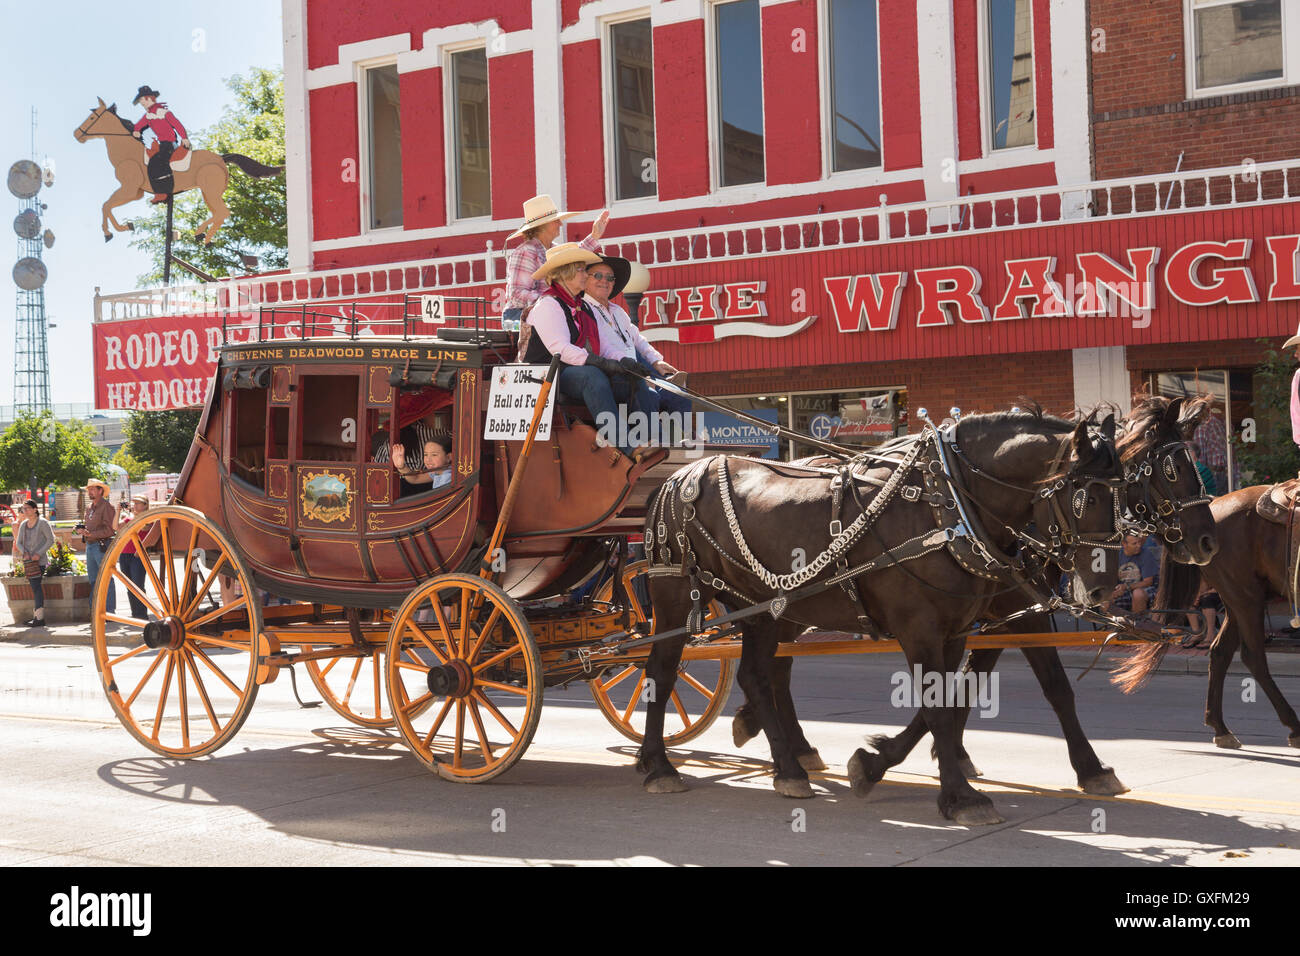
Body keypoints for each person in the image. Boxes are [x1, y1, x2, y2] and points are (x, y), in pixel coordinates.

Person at [522, 242, 651, 457]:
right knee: (592, 376)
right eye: (581, 270)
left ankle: (646, 440)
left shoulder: (580, 305)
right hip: (547, 377)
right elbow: (560, 349)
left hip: (572, 369)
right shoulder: (548, 305)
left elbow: (605, 345)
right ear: (565, 273)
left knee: (630, 379)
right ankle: (624, 445)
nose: (586, 274)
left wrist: (623, 362)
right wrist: (600, 362)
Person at [584, 253, 693, 441]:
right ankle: (658, 445)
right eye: (598, 276)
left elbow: (637, 338)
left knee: (678, 393)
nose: (605, 281)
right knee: (648, 394)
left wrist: (655, 360)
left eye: (610, 278)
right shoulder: (584, 309)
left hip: (636, 370)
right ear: (585, 280)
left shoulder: (618, 311)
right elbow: (601, 348)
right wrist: (638, 374)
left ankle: (686, 439)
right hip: (613, 373)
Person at [503, 194, 609, 333]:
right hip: (521, 317)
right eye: (555, 220)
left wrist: (594, 236)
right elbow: (516, 294)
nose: (560, 223)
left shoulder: (551, 248)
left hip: (545, 313)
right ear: (542, 226)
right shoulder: (526, 251)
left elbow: (573, 257)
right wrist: (553, 300)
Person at [131, 86, 191, 203]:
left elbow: (177, 124)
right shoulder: (148, 116)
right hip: (162, 144)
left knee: (155, 162)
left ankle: (162, 192)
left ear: (149, 98)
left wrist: (184, 137)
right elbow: (138, 125)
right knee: (152, 162)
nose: (141, 103)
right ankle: (160, 191)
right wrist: (136, 131)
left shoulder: (163, 113)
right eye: (140, 101)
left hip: (169, 144)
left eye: (142, 100)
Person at [10, 499, 55, 628]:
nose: (26, 511)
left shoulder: (43, 523)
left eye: (28, 508)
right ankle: (37, 616)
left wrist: (39, 553)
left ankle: (39, 618)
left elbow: (50, 540)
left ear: (35, 509)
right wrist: (25, 552)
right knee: (35, 587)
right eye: (24, 509)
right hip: (28, 561)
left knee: (35, 586)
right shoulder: (24, 524)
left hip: (40, 561)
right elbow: (18, 542)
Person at [77, 478, 118, 616]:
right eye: (89, 489)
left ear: (101, 491)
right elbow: (89, 528)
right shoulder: (89, 507)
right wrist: (82, 530)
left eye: (93, 489)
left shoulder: (107, 507)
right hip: (90, 546)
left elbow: (111, 530)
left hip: (102, 546)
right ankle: (97, 613)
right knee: (94, 580)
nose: (90, 491)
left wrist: (91, 533)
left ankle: (110, 612)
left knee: (106, 578)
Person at [117, 495, 154, 620]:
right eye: (134, 503)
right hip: (125, 554)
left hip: (138, 555)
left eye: (138, 503)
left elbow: (144, 527)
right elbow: (115, 527)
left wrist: (133, 516)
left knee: (138, 585)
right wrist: (118, 511)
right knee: (130, 586)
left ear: (145, 505)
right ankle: (135, 614)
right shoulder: (129, 518)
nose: (135, 505)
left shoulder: (149, 519)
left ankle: (141, 614)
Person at [1110, 532, 1160, 616]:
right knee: (1108, 597)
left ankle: (1137, 626)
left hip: (1146, 589)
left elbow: (1148, 582)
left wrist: (1126, 587)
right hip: (1125, 590)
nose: (1139, 545)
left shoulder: (1146, 554)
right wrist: (1115, 591)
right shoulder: (1116, 555)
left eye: (1139, 542)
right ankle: (1115, 626)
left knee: (1137, 594)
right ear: (1124, 544)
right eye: (1134, 543)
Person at [1192, 402, 1229, 496]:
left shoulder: (1202, 429)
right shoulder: (1226, 424)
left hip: (1212, 474)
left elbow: (1200, 456)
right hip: (1225, 472)